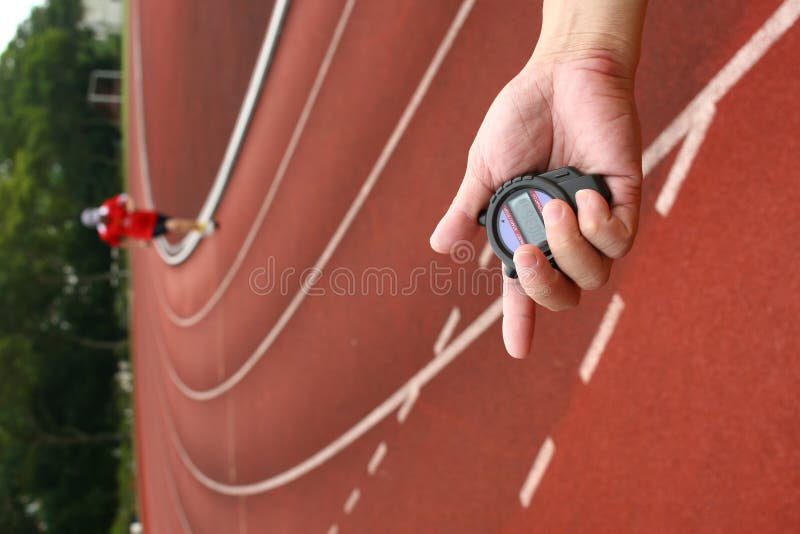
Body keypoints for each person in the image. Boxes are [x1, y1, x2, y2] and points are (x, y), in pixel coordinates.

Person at [429, 0, 648, 358]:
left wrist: (577, 50)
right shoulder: (521, 207)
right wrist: (587, 55)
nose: (535, 216)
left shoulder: (525, 205)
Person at [81, 193, 217, 248]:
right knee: (172, 225)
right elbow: (121, 242)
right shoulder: (105, 234)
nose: (102, 218)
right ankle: (204, 226)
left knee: (175, 223)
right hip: (145, 231)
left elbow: (124, 198)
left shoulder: (107, 207)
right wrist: (138, 244)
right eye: (99, 220)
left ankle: (199, 229)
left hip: (147, 216)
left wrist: (130, 204)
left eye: (99, 215)